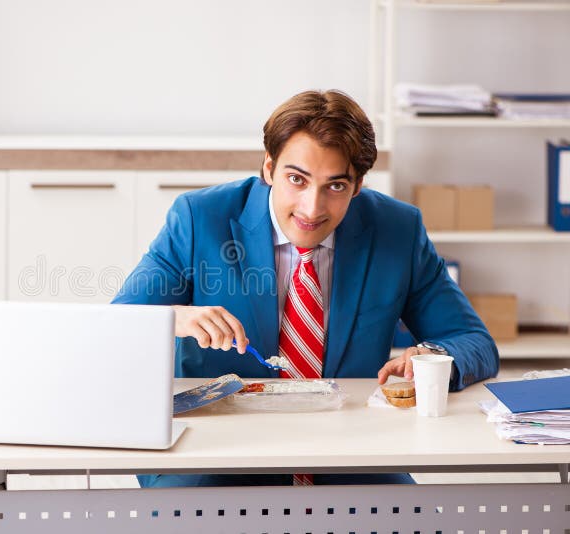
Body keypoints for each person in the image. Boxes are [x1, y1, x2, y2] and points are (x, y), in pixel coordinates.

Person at [113, 89, 499, 487]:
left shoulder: (396, 230)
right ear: (269, 168)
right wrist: (174, 316)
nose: (311, 208)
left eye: (335, 186)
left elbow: (474, 341)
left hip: (350, 452)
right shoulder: (200, 219)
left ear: (359, 184)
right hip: (216, 457)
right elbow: (114, 326)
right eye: (296, 179)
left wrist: (431, 357)